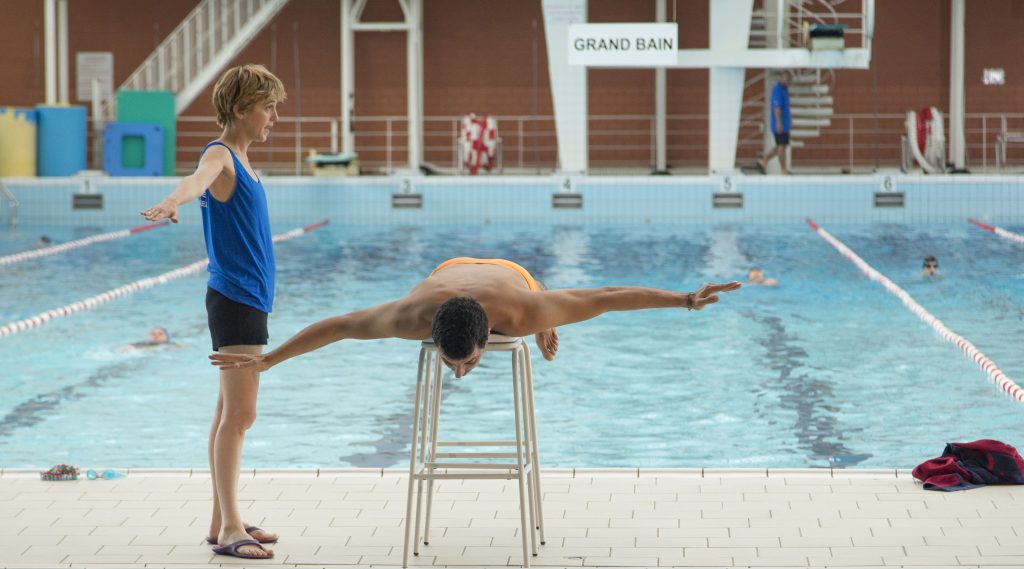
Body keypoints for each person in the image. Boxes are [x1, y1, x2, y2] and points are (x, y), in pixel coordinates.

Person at [141, 64, 284, 560]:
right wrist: (170, 200)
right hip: (237, 299)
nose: (274, 117)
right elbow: (196, 179)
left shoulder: (242, 158)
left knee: (228, 412)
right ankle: (228, 531)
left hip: (247, 298)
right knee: (241, 415)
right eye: (268, 107)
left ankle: (224, 519)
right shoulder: (221, 155)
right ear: (242, 109)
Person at [210, 257, 742, 380]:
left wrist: (686, 300)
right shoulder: (408, 317)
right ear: (430, 334)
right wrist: (271, 360)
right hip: (448, 273)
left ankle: (546, 322)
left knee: (545, 311)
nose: (459, 372)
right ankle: (546, 323)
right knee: (542, 317)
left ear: (486, 337)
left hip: (515, 279)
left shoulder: (521, 311)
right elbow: (338, 326)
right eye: (452, 362)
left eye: (464, 363)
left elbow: (606, 295)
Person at [757, 71, 791, 175]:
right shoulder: (778, 90)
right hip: (780, 124)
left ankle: (763, 161)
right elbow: (777, 109)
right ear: (782, 79)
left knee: (781, 146)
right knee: (781, 146)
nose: (790, 82)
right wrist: (779, 123)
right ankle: (783, 170)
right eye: (788, 79)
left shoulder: (784, 90)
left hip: (785, 124)